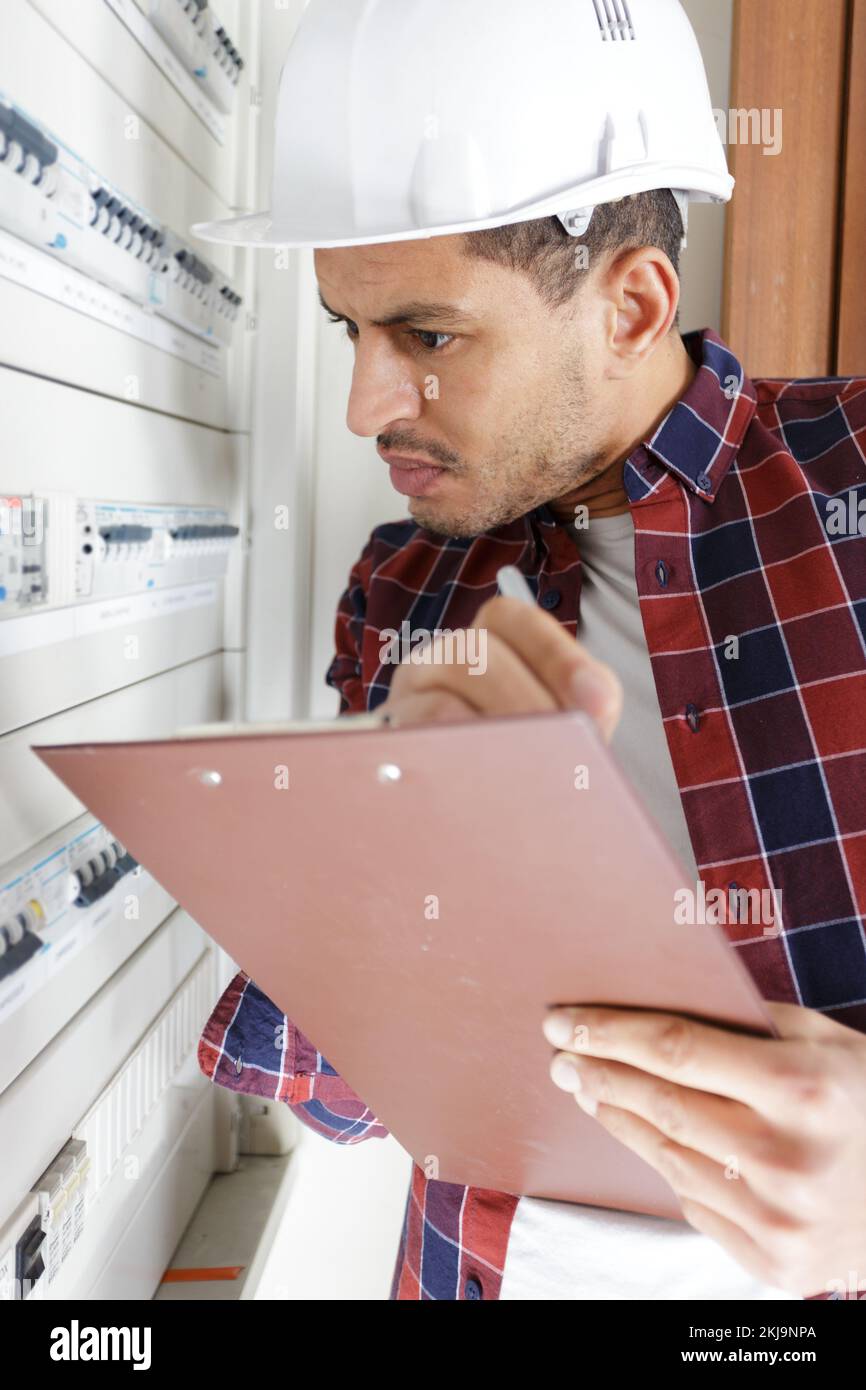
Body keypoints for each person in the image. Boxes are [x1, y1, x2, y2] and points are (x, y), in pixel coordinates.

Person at [192, 0, 866, 1300]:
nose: (364, 407)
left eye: (427, 339)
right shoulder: (404, 583)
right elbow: (352, 1102)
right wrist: (376, 859)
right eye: (350, 329)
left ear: (628, 304)